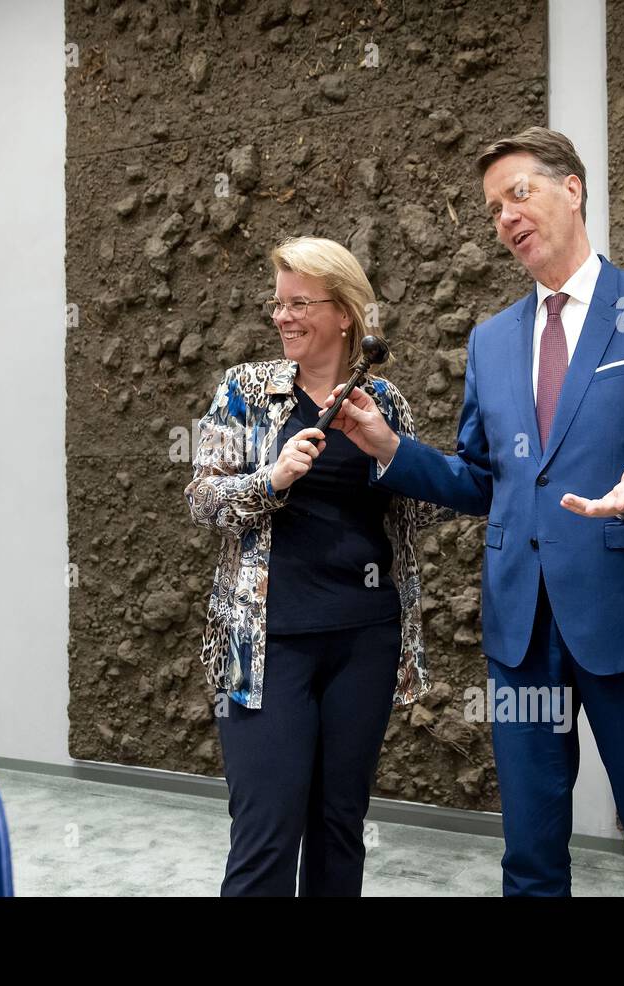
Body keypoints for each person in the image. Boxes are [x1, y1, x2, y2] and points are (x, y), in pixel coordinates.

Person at [324, 127, 624, 896]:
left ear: (571, 188)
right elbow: (486, 481)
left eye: (519, 194)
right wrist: (389, 448)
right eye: (492, 209)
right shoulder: (491, 339)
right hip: (522, 631)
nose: (506, 217)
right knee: (530, 852)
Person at [184, 235, 451, 896]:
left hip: (364, 638)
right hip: (265, 645)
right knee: (266, 832)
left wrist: (390, 451)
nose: (282, 317)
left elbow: (420, 516)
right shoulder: (245, 391)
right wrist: (270, 481)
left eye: (299, 303)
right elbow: (202, 499)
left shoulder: (382, 400)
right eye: (278, 304)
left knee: (339, 827)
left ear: (344, 314)